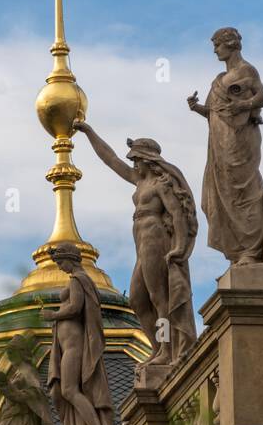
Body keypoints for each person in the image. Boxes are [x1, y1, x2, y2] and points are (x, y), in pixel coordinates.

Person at [74, 121, 197, 362]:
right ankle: (157, 347)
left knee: (159, 297)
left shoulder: (160, 185)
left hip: (155, 238)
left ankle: (167, 350)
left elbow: (178, 214)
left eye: (136, 160)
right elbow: (110, 159)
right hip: (141, 242)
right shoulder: (139, 182)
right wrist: (89, 132)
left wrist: (180, 247)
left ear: (146, 160)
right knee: (138, 300)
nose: (133, 164)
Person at [187, 26, 263, 264]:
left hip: (240, 142)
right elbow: (216, 113)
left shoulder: (246, 70)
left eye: (217, 46)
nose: (215, 51)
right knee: (215, 196)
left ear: (231, 44)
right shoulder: (219, 80)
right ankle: (237, 251)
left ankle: (251, 250)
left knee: (243, 192)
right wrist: (198, 108)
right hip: (219, 144)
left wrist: (243, 106)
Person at [44, 242, 114, 425]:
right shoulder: (78, 279)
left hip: (74, 348)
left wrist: (53, 315)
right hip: (68, 348)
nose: (60, 268)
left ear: (69, 259)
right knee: (70, 392)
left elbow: (75, 307)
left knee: (69, 390)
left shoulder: (78, 279)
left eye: (60, 263)